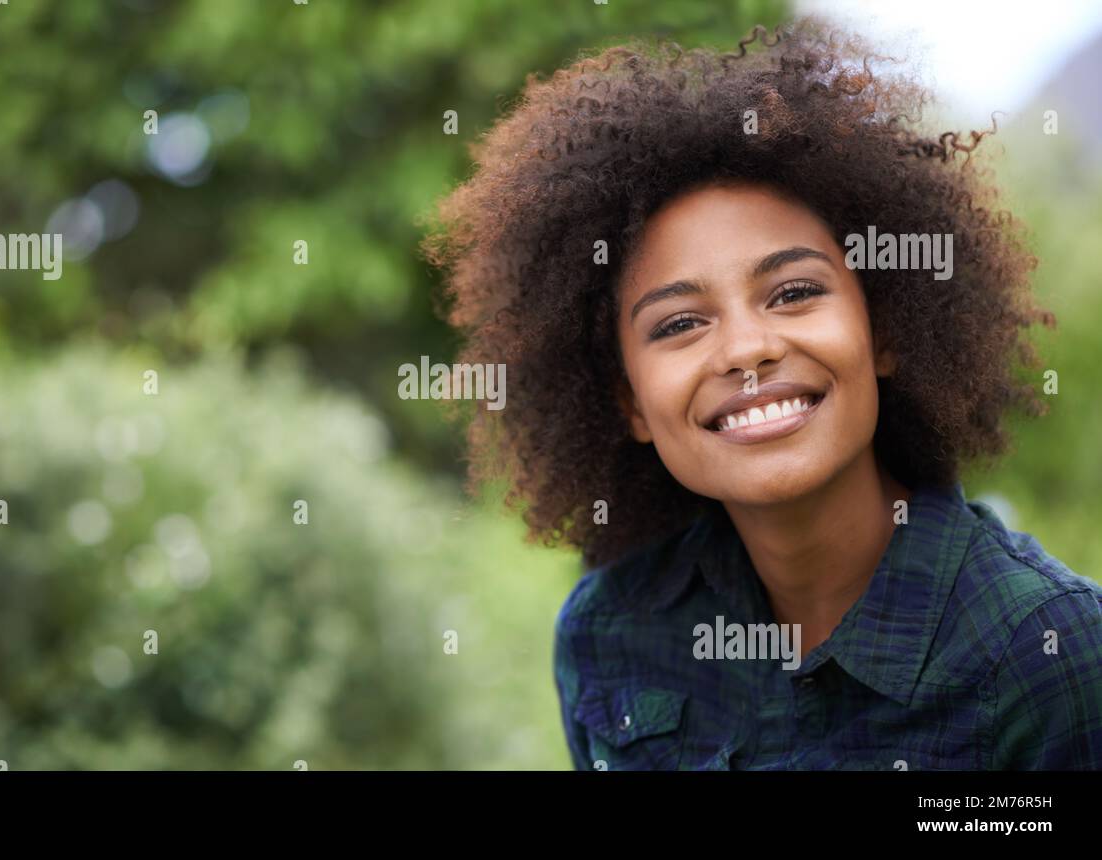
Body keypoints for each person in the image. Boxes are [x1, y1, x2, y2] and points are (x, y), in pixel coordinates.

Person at [422, 19, 1102, 769]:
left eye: (794, 292)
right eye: (680, 322)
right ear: (629, 405)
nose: (748, 349)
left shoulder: (1049, 653)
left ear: (886, 332)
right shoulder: (611, 632)